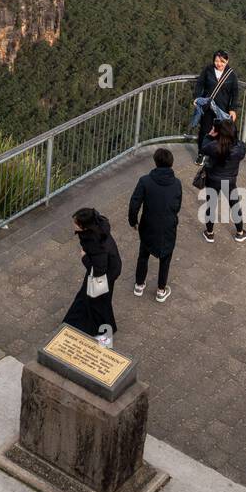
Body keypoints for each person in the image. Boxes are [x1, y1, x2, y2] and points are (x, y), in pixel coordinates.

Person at [128, 147, 182, 302]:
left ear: (155, 162)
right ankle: (161, 290)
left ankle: (139, 285)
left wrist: (133, 221)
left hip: (148, 225)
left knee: (143, 255)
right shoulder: (177, 183)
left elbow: (134, 204)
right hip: (168, 227)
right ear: (171, 163)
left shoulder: (145, 181)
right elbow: (177, 206)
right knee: (165, 258)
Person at [62, 207, 121, 345]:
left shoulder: (96, 244)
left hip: (104, 275)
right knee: (85, 296)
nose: (73, 224)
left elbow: (99, 269)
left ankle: (105, 335)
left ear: (84, 226)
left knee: (100, 303)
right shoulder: (96, 229)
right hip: (105, 270)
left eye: (76, 223)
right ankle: (72, 322)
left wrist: (84, 257)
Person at [200, 119, 246, 244]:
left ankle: (210, 233)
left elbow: (203, 148)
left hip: (213, 179)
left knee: (211, 205)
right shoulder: (240, 147)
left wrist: (209, 135)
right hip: (230, 180)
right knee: (234, 205)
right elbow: (241, 151)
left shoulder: (214, 146)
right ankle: (240, 232)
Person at [192, 50, 240, 148]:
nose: (219, 64)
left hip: (223, 108)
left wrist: (233, 109)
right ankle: (201, 153)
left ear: (227, 61)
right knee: (205, 130)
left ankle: (215, 154)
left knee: (221, 132)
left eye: (222, 61)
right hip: (208, 106)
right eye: (216, 61)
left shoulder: (231, 75)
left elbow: (234, 93)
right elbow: (200, 84)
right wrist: (197, 98)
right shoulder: (208, 70)